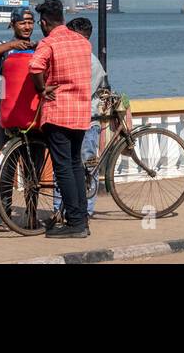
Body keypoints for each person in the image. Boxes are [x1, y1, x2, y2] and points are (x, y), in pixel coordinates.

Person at [28, 0, 91, 238]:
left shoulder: (49, 42)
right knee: (76, 166)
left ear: (44, 22)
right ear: (62, 18)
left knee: (63, 168)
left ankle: (75, 223)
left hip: (58, 113)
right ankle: (82, 219)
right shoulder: (83, 42)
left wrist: (42, 89)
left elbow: (34, 67)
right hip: (81, 113)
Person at [66, 16, 108, 219]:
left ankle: (86, 209)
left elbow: (80, 93)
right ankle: (65, 207)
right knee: (70, 167)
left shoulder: (91, 63)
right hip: (75, 119)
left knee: (87, 167)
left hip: (87, 121)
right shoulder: (81, 60)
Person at [0, 6, 37, 155]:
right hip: (7, 115)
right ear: (12, 25)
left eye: (30, 23)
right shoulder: (4, 47)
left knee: (33, 169)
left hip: (33, 116)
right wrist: (12, 45)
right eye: (22, 23)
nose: (27, 27)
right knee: (4, 168)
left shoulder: (38, 48)